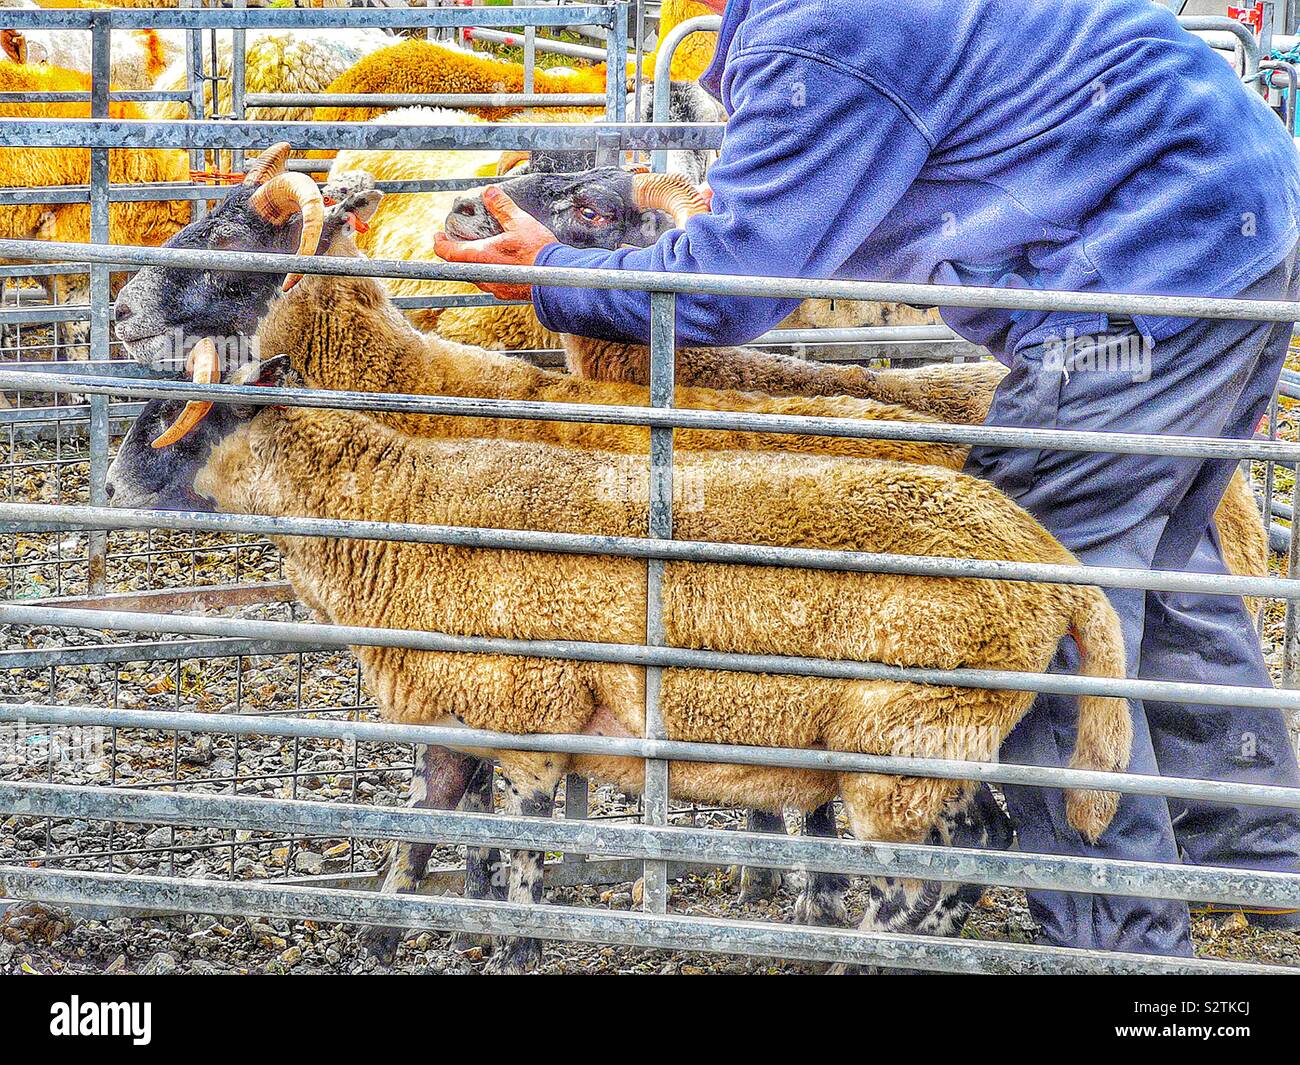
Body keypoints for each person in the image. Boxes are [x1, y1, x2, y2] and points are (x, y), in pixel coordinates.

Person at [434, 0, 1300, 956]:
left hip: (1131, 298)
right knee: (1172, 577)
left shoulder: (823, 36)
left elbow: (737, 282)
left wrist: (556, 270)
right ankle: (1259, 857)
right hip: (1241, 228)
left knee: (1023, 605)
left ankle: (1123, 945)